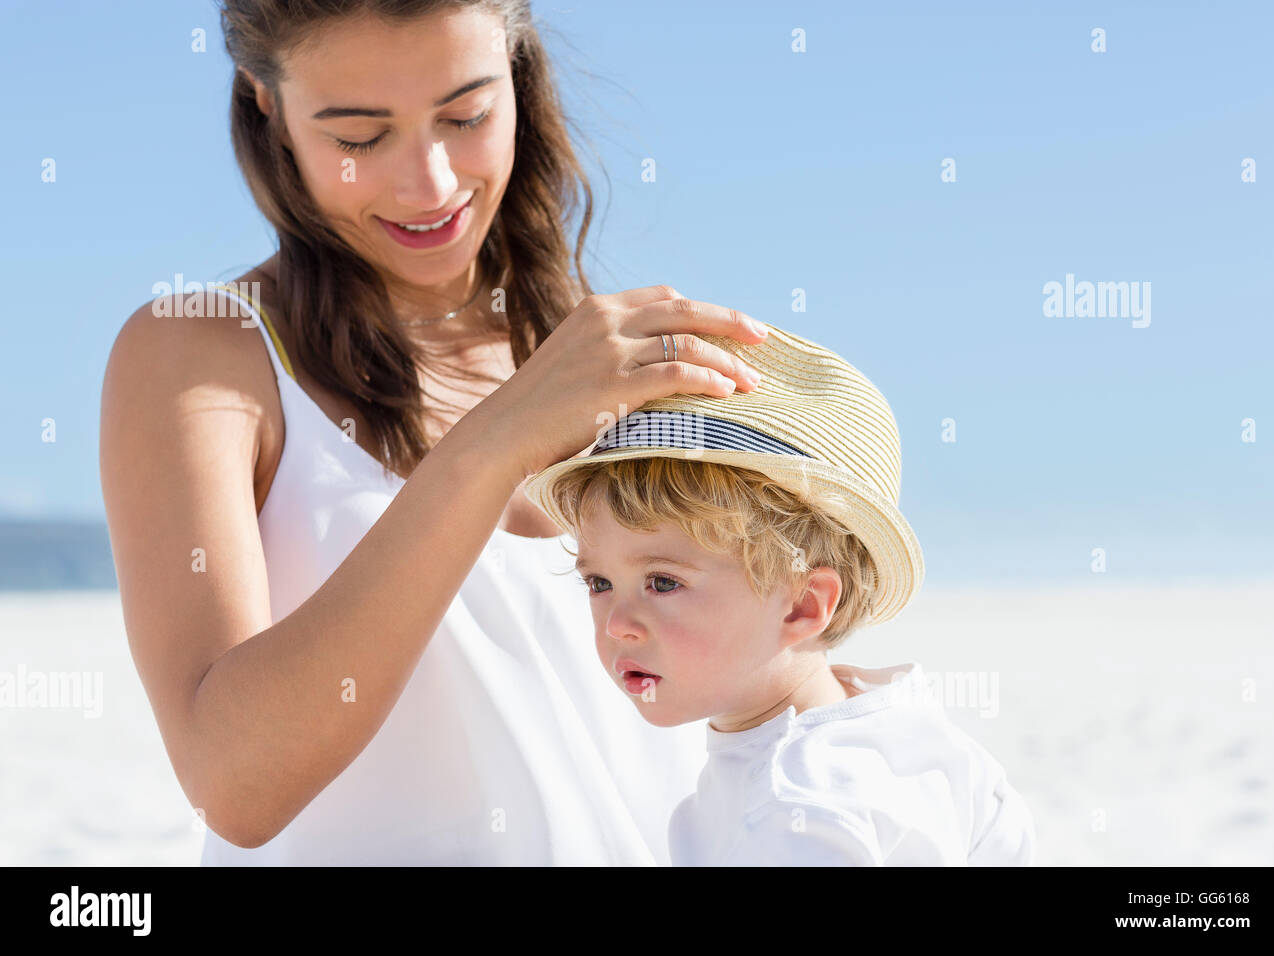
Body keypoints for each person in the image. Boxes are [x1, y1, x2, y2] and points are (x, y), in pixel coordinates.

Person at [98, 0, 769, 864]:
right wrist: (496, 443)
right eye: (359, 137)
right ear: (266, 101)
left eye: (467, 115)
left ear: (519, 72)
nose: (432, 184)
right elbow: (234, 782)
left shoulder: (598, 359)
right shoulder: (202, 355)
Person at [521, 324, 1038, 865]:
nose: (617, 624)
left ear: (803, 605)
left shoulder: (794, 818)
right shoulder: (910, 733)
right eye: (599, 583)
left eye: (664, 582)